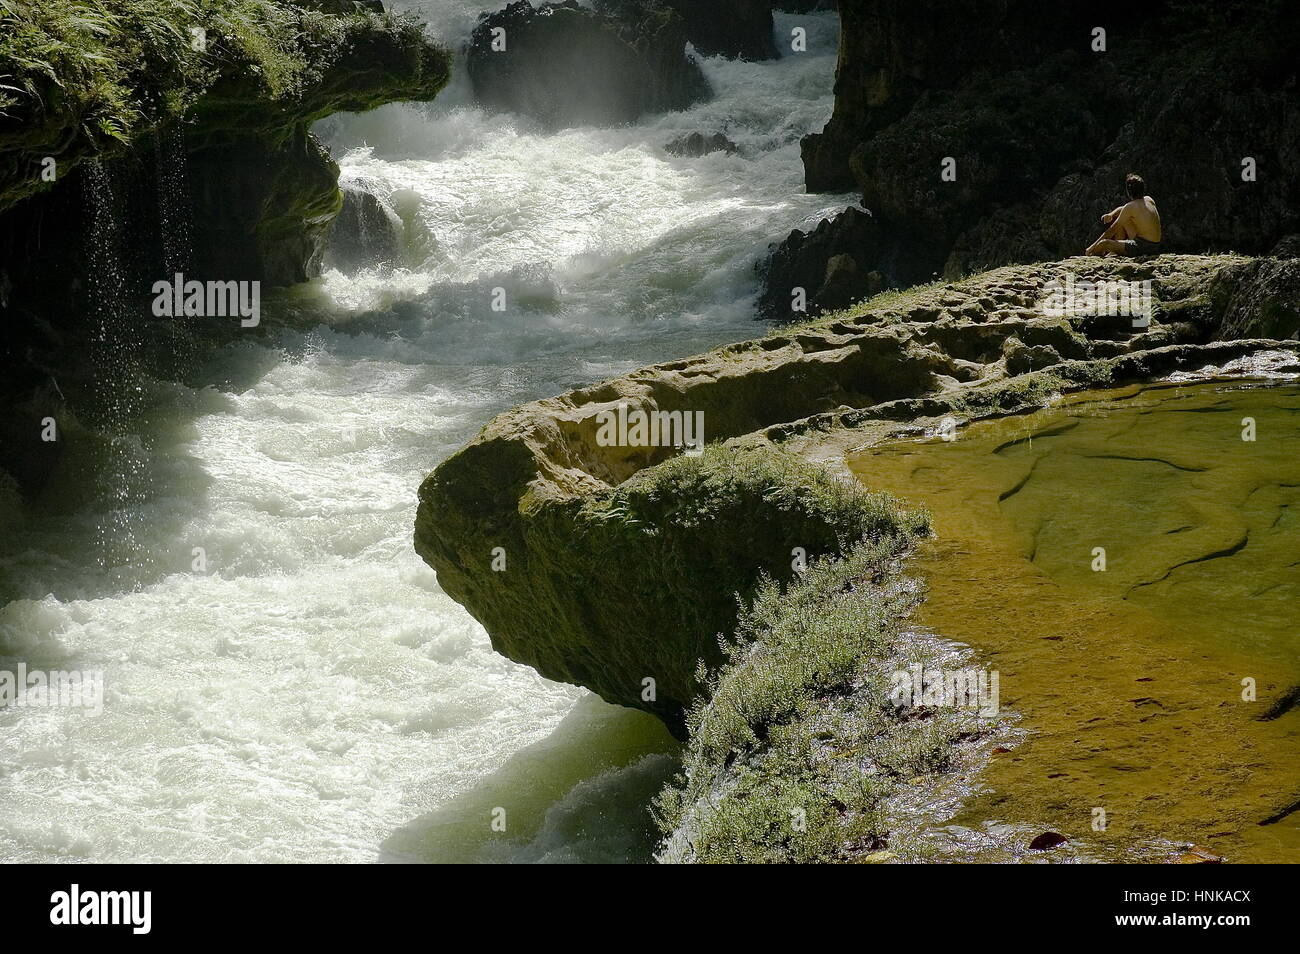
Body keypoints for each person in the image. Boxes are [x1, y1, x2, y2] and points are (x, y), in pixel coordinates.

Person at [1086, 173, 1162, 256]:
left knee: (1103, 244)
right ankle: (1116, 251)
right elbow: (1123, 209)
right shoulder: (1149, 200)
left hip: (1142, 247)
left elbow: (1111, 230)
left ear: (1128, 192)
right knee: (1124, 219)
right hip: (1156, 245)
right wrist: (1111, 214)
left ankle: (1096, 258)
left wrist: (1092, 247)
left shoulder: (1130, 207)